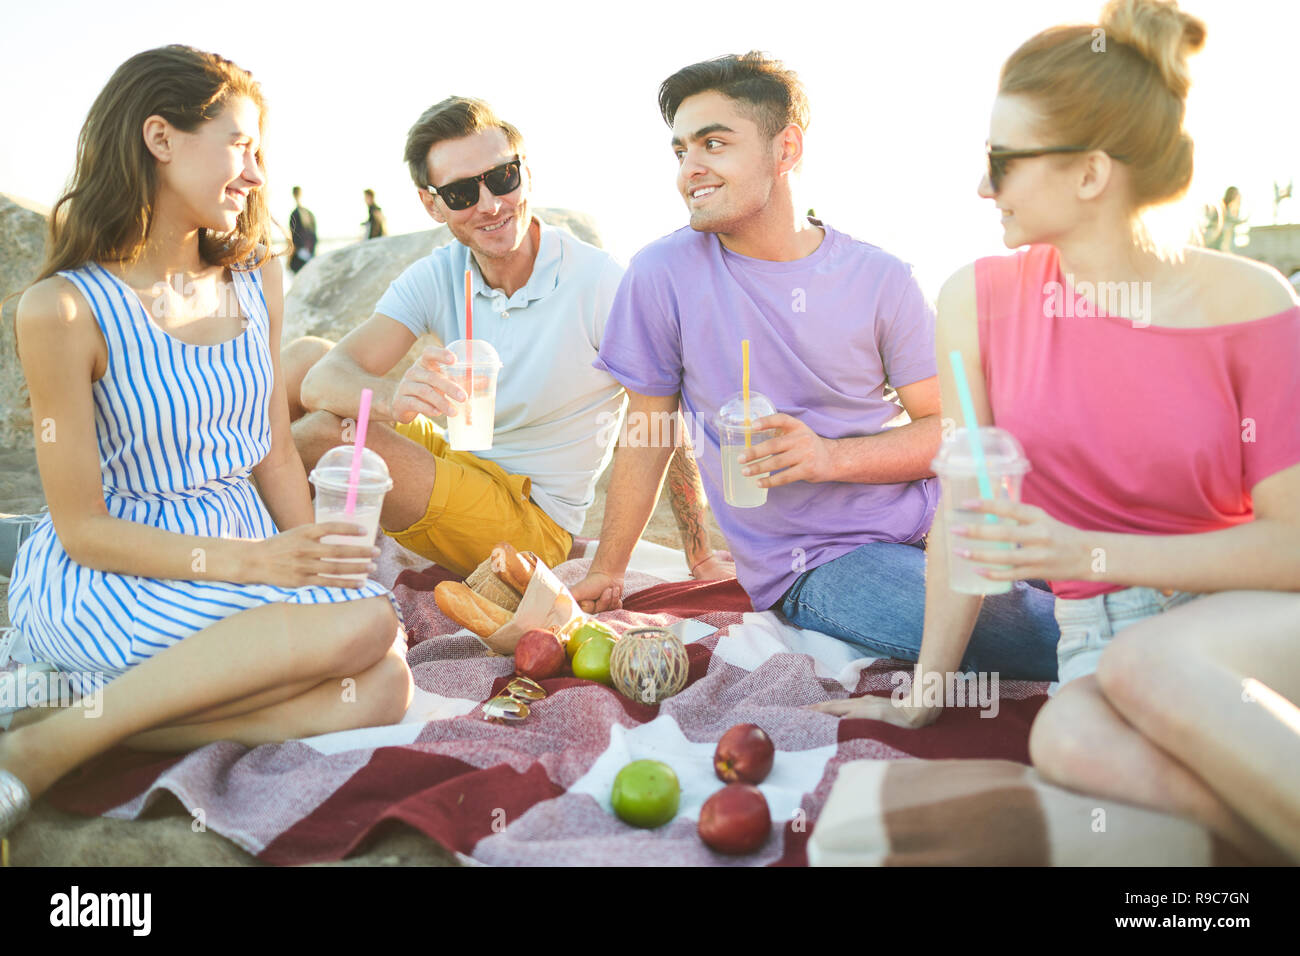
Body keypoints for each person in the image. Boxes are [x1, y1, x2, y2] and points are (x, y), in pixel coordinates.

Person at [813, 0, 1300, 863]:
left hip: (1252, 618)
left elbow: (1291, 547)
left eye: (1003, 161)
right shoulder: (976, 299)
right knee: (1066, 741)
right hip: (1096, 636)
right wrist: (925, 691)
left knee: (1148, 667)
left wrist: (1087, 552)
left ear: (1089, 173)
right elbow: (966, 508)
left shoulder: (1252, 300)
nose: (982, 186)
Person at [0, 46, 412, 839]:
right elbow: (83, 528)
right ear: (160, 137)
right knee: (366, 630)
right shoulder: (63, 309)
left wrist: (313, 557)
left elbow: (273, 452)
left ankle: (85, 719)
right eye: (240, 145)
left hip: (241, 550)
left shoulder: (256, 278)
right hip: (121, 570)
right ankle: (42, 751)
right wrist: (258, 566)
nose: (256, 174)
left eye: (260, 152)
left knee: (385, 682)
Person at [571, 52, 1059, 679]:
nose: (690, 168)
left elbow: (951, 432)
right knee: (1029, 630)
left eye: (713, 144)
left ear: (786, 148)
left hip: (947, 515)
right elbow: (650, 433)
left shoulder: (881, 277)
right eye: (681, 150)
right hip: (819, 562)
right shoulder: (662, 273)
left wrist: (829, 456)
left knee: (1112, 579)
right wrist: (608, 570)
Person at [285, 97, 729, 579]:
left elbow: (661, 415)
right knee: (303, 359)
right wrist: (394, 398)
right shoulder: (439, 274)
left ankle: (271, 548)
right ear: (432, 204)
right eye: (461, 193)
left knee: (325, 435)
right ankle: (268, 540)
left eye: (502, 178)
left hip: (532, 519)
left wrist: (696, 550)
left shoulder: (597, 281)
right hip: (456, 461)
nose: (491, 205)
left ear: (526, 175)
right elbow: (319, 380)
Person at [1201, 185, 1244, 252]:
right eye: (1235, 194)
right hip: (1215, 242)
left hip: (1222, 244)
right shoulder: (1221, 208)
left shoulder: (1231, 210)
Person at [288, 185, 317, 273]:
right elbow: (314, 236)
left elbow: (293, 237)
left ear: (293, 195)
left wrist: (290, 257)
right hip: (309, 254)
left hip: (300, 257)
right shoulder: (309, 214)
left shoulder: (295, 214)